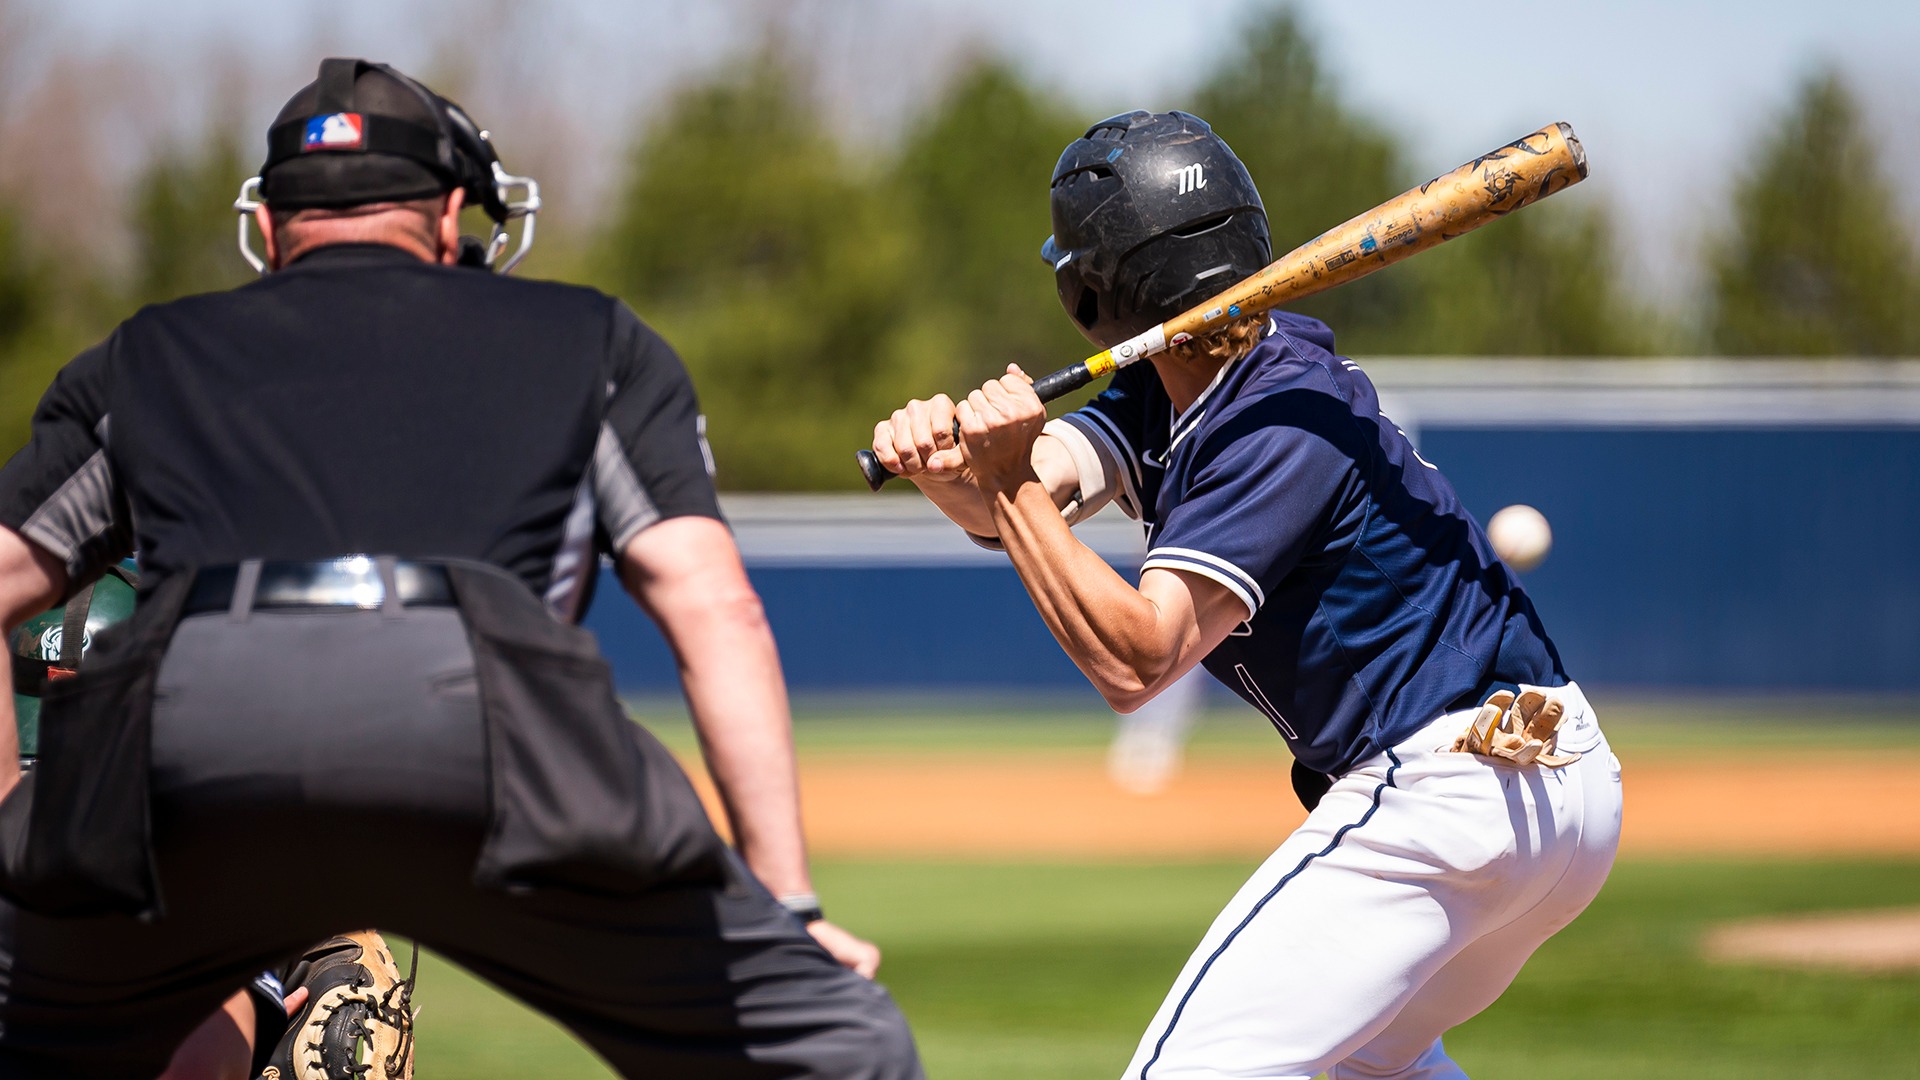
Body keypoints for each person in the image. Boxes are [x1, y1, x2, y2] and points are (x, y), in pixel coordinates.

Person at [0, 57, 920, 1079]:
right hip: (483, 725)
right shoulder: (591, 338)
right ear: (448, 217)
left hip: (185, 739)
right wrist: (789, 904)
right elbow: (719, 609)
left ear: (268, 228)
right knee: (842, 1049)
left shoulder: (146, 354)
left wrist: (9, 824)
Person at [871, 109, 1622, 1079]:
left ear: (1089, 288)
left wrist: (1007, 478)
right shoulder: (1181, 388)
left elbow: (1139, 659)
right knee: (1371, 1066)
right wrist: (953, 469)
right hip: (1542, 795)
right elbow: (1023, 500)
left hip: (1448, 794)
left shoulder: (1277, 420)